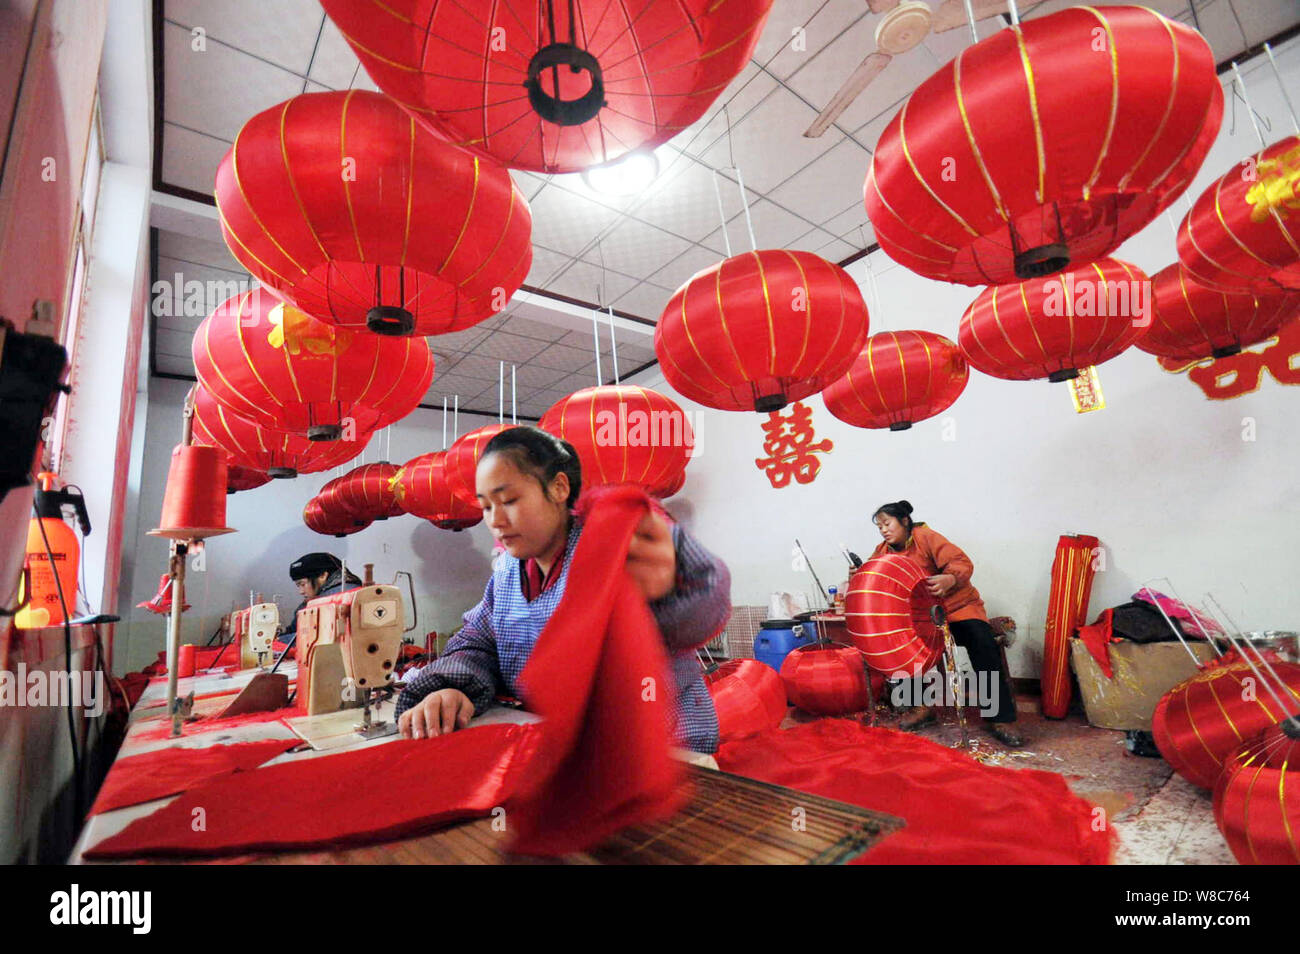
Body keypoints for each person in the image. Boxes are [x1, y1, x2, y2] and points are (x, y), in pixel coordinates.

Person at [395, 426, 730, 753]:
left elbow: (700, 605)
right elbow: (478, 642)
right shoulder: (509, 571)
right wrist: (452, 688)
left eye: (509, 499)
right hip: (566, 747)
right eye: (485, 506)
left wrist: (677, 581)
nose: (495, 520)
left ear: (557, 488)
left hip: (664, 747)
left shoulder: (614, 543)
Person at [869, 500, 1024, 748]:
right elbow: (875, 580)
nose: (884, 530)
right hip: (921, 620)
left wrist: (950, 578)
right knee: (899, 648)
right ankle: (921, 707)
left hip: (957, 609)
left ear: (905, 521)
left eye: (887, 523)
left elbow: (962, 563)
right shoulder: (882, 552)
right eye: (880, 527)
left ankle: (1000, 718)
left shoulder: (926, 537)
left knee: (982, 642)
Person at [281, 552, 363, 638]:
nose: (301, 591)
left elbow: (309, 637)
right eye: (298, 586)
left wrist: (277, 640)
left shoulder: (334, 598)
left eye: (302, 584)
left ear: (322, 576)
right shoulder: (350, 590)